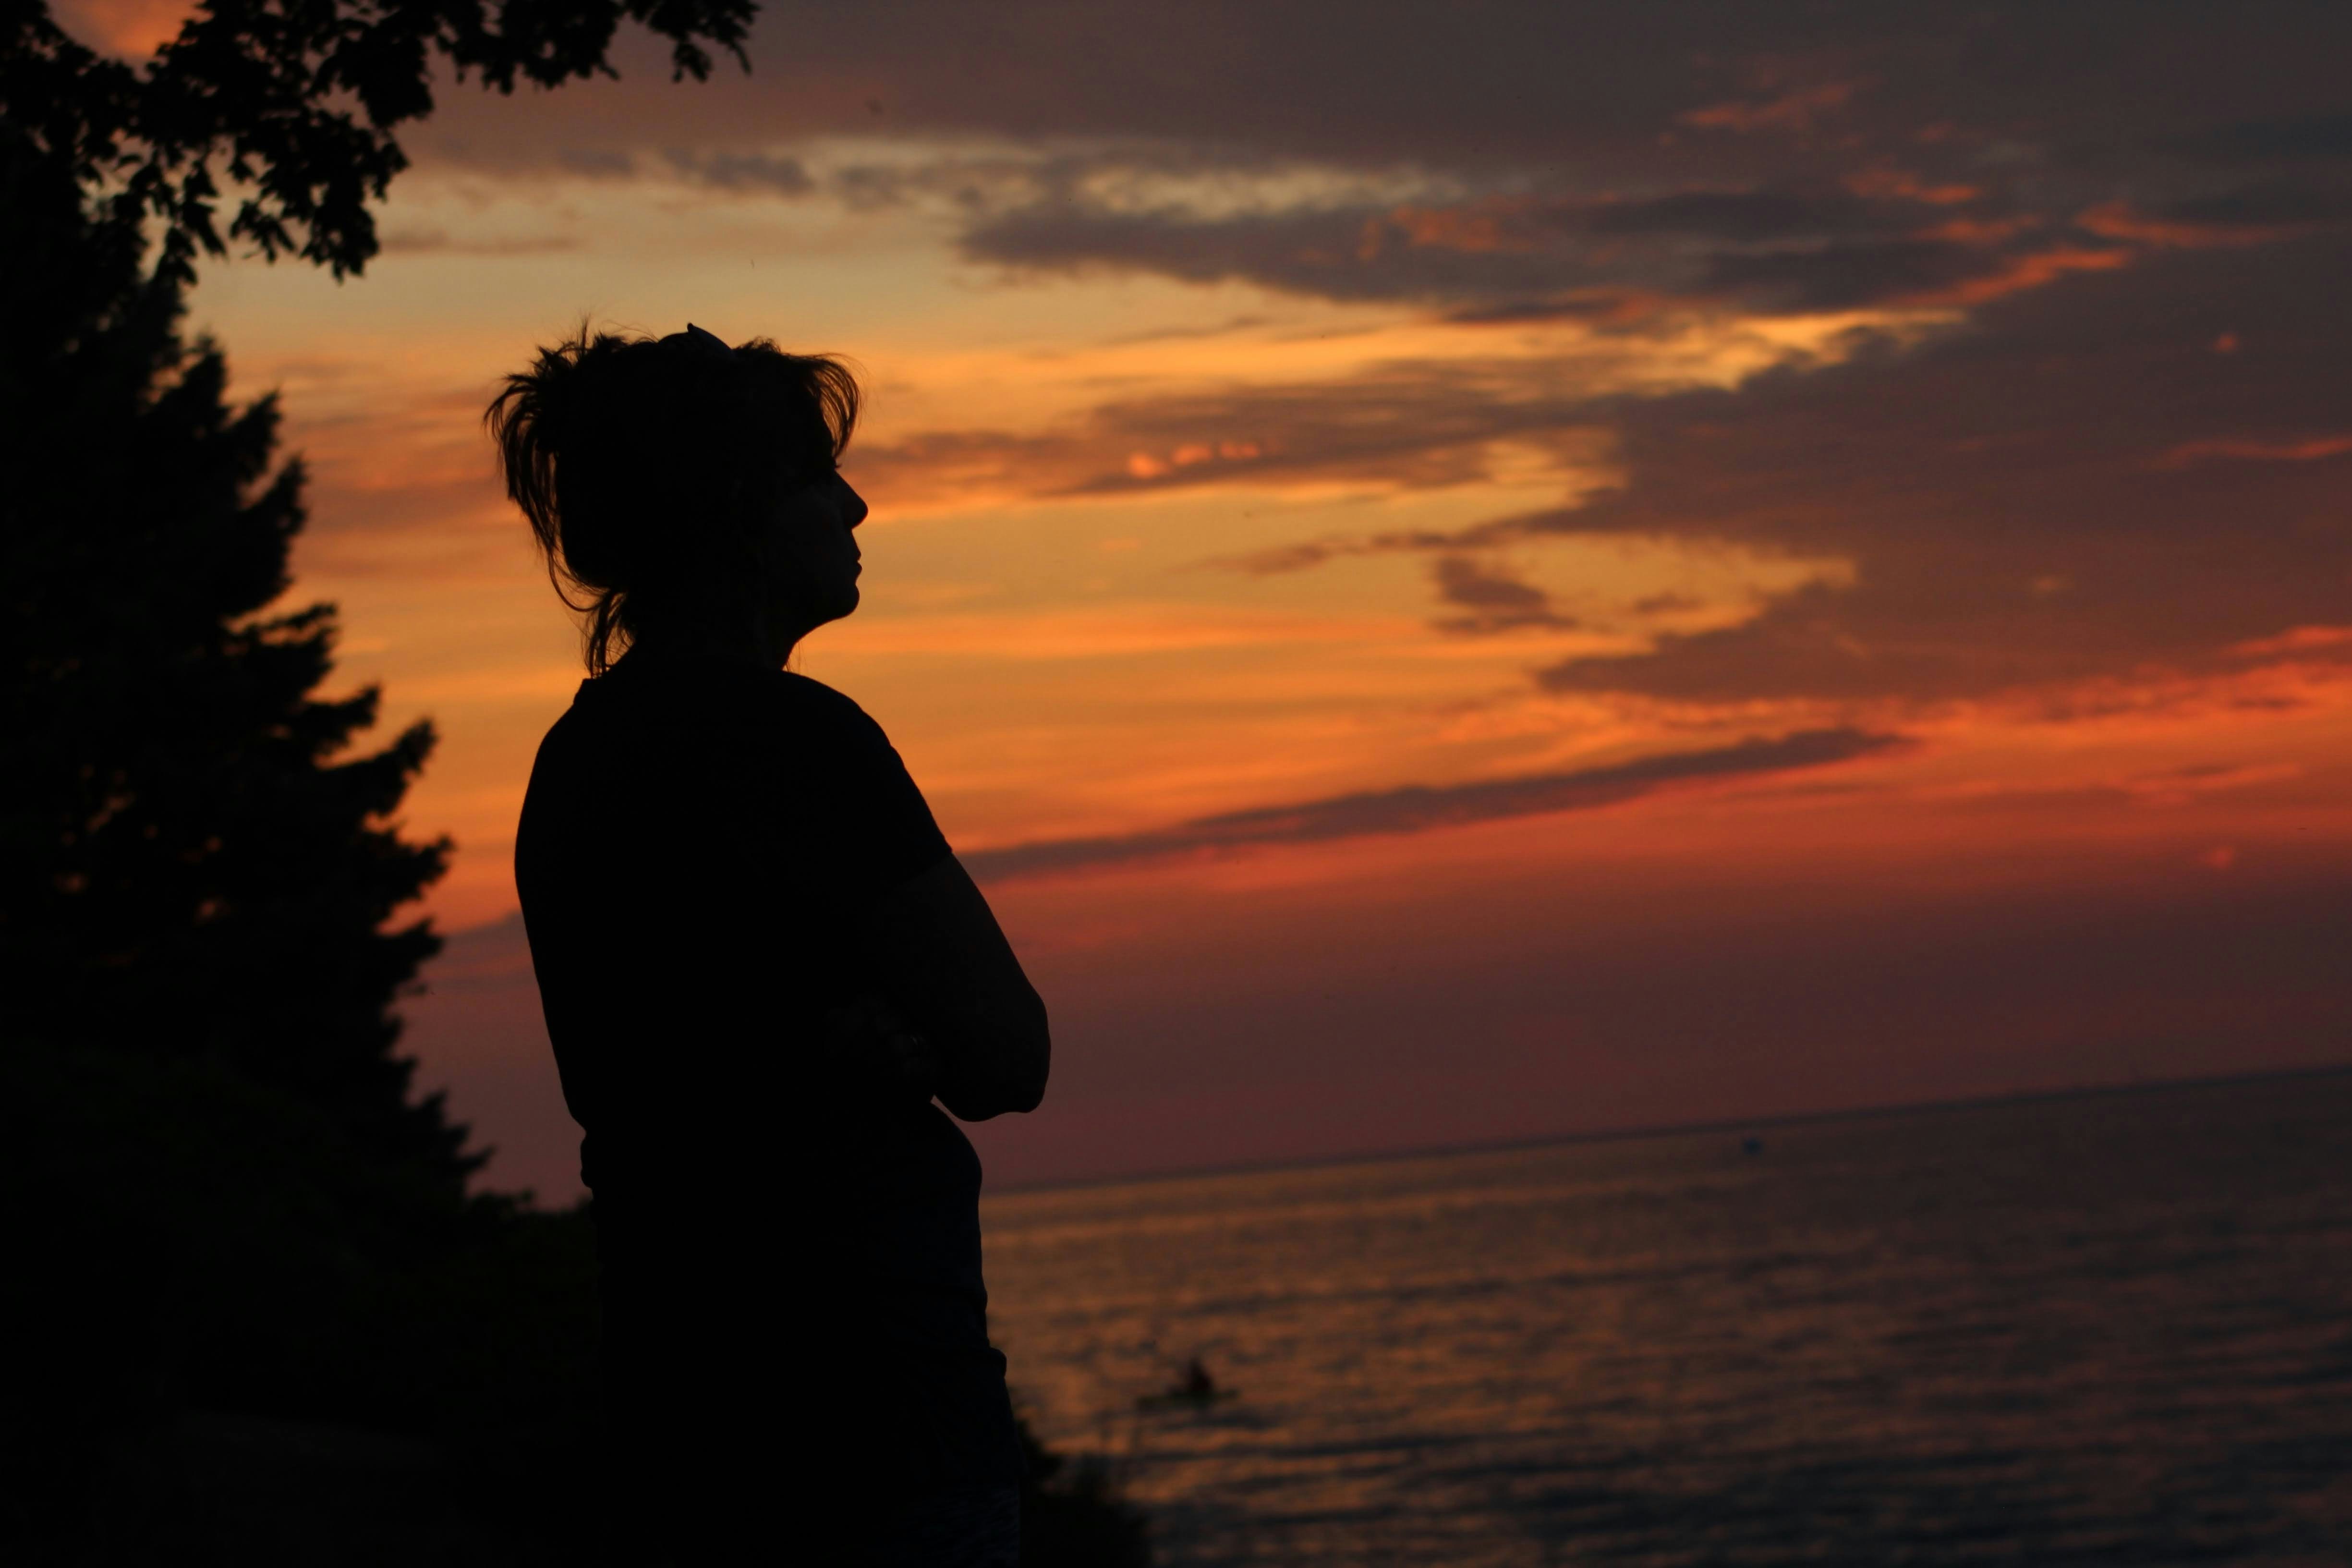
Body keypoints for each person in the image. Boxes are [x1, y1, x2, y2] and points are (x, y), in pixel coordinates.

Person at [488, 323, 1049, 1565]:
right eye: (815, 475)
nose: (853, 501)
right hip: (872, 1419)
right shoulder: (801, 744)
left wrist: (824, 1041)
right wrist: (865, 1042)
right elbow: (1010, 1050)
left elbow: (639, 1079)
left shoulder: (575, 762)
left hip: (684, 1423)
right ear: (738, 511)